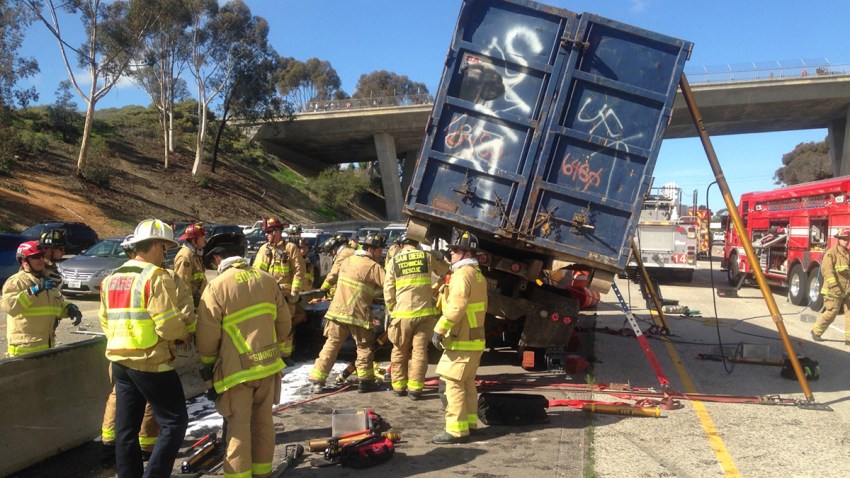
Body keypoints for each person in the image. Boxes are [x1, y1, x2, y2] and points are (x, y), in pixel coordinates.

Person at [99, 219, 190, 478]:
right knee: (174, 422)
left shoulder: (111, 278)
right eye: (166, 248)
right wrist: (184, 334)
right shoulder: (155, 277)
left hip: (120, 362)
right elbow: (169, 326)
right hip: (151, 361)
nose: (166, 254)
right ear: (159, 246)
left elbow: (106, 321)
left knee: (126, 429)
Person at [196, 243, 291, 478]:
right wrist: (278, 348)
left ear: (218, 259)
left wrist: (209, 363)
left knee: (238, 428)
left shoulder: (216, 287)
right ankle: (262, 473)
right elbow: (284, 323)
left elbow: (207, 336)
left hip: (237, 372)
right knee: (263, 423)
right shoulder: (267, 279)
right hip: (268, 367)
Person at [309, 233, 386, 394]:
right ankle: (365, 381)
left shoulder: (348, 260)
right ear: (371, 250)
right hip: (357, 314)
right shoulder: (373, 267)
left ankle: (317, 380)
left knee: (331, 345)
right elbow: (388, 287)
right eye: (380, 250)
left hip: (337, 312)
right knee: (364, 347)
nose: (381, 254)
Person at [431, 230, 488, 444]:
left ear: (466, 252)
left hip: (461, 340)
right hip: (473, 339)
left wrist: (439, 329)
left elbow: (456, 307)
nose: (451, 254)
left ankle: (455, 431)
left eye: (454, 250)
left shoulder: (462, 275)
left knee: (450, 382)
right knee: (466, 383)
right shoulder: (477, 273)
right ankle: (469, 425)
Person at [384, 233, 450, 399]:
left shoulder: (394, 261)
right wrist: (439, 257)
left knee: (399, 350)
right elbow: (446, 270)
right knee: (420, 352)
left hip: (402, 314)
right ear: (416, 242)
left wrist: (393, 309)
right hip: (425, 314)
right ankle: (415, 389)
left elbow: (388, 289)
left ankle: (399, 387)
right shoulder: (426, 257)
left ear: (402, 244)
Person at [1, 240, 82, 357]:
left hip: (46, 348)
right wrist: (34, 291)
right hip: (24, 350)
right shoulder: (16, 281)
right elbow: (10, 307)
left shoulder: (46, 279)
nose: (40, 260)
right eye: (35, 257)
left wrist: (69, 308)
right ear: (24, 261)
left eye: (42, 256)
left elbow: (52, 307)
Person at [253, 217, 304, 363]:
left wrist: (294, 293)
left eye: (269, 231)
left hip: (286, 297)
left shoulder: (290, 249)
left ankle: (285, 356)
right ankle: (271, 355)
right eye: (266, 232)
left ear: (278, 232)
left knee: (285, 327)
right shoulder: (264, 249)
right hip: (267, 296)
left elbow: (298, 272)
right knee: (268, 327)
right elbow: (257, 272)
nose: (267, 235)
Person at [812, 227, 850, 345]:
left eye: (848, 239)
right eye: (843, 238)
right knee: (832, 312)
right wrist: (835, 287)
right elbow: (827, 271)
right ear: (838, 239)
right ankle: (816, 331)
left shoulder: (847, 254)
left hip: (847, 289)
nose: (846, 241)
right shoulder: (831, 253)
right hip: (833, 290)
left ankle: (848, 339)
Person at [174, 223, 208, 307]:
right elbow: (183, 285)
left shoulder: (195, 254)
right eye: (202, 237)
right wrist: (188, 307)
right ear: (194, 241)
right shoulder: (185, 257)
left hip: (198, 302)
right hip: (191, 305)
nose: (205, 239)